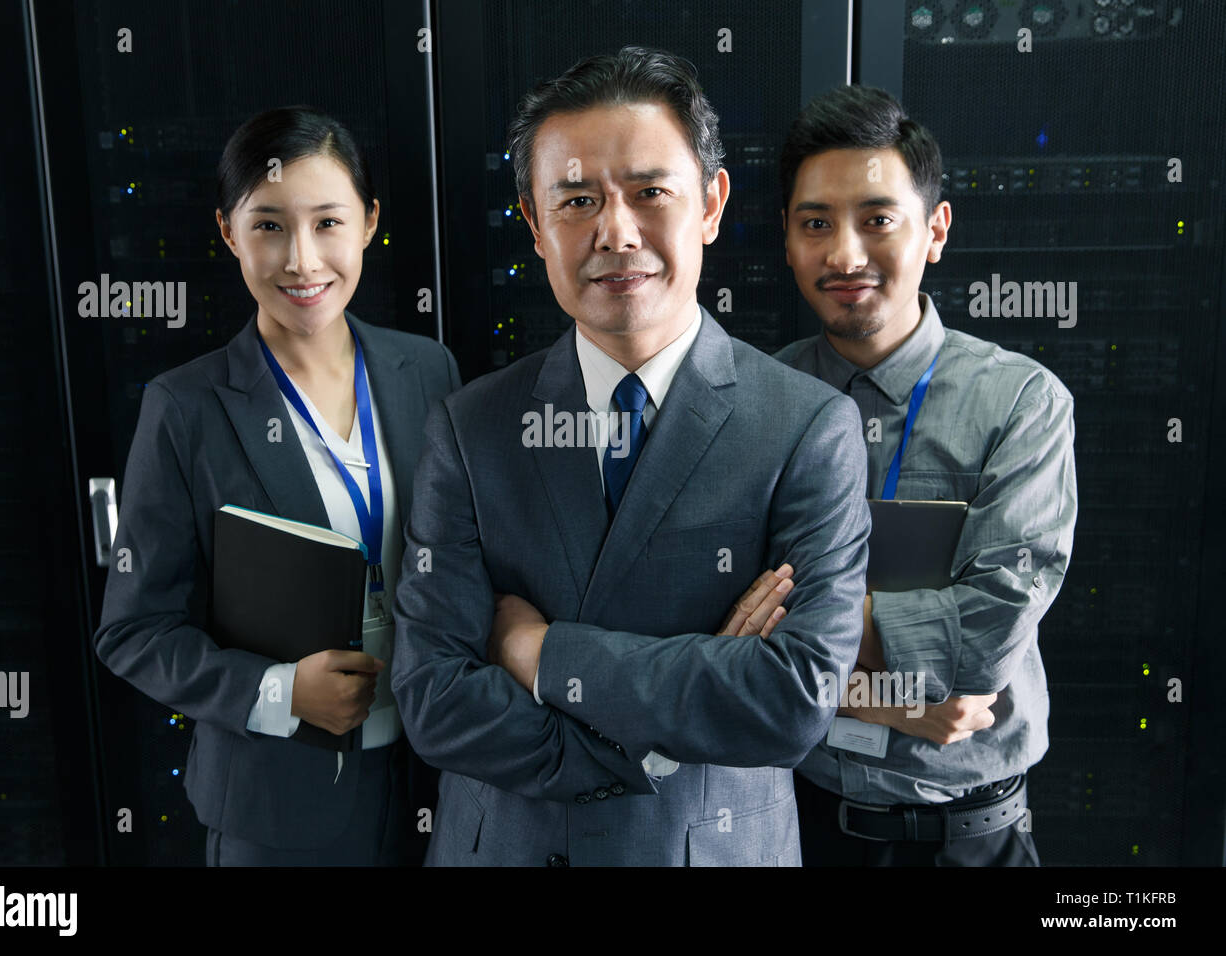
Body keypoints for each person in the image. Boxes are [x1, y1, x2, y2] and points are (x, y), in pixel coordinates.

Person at [391, 47, 870, 867]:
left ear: (712, 203)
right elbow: (433, 700)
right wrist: (648, 744)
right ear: (536, 226)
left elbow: (790, 704)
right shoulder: (472, 426)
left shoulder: (807, 426)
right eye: (577, 199)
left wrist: (537, 654)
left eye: (650, 192)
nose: (616, 231)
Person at [94, 106, 460, 866]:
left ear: (369, 223)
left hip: (434, 778)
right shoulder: (185, 408)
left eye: (328, 222)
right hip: (279, 804)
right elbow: (132, 632)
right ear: (229, 232)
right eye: (269, 226)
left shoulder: (427, 370)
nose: (302, 259)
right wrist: (280, 692)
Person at [773, 85, 1077, 865]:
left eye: (877, 219)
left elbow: (992, 626)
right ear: (788, 238)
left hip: (971, 837)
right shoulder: (757, 400)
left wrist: (806, 636)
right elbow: (708, 619)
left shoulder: (1020, 400)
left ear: (934, 230)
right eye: (816, 224)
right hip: (799, 824)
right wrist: (885, 696)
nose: (844, 255)